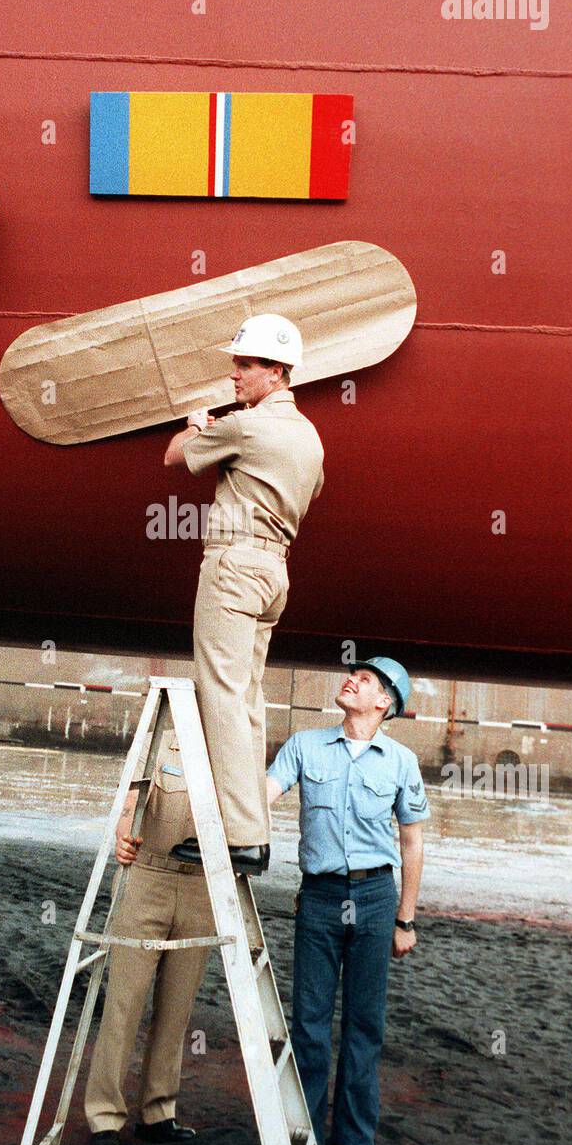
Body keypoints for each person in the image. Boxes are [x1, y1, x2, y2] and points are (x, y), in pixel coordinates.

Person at [163, 314, 324, 875]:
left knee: (223, 695)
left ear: (276, 372)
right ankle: (252, 831)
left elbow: (175, 458)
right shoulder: (310, 437)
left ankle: (240, 838)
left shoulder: (247, 426)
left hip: (233, 563)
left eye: (245, 365)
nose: (234, 375)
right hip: (275, 569)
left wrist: (193, 424)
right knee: (249, 700)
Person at [266, 657, 427, 1145]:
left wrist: (406, 919)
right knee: (309, 1023)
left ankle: (355, 1141)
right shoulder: (304, 746)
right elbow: (264, 793)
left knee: (364, 1024)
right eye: (353, 674)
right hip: (318, 897)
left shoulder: (401, 761)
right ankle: (309, 1133)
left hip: (377, 898)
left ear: (385, 703)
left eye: (366, 680)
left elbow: (413, 841)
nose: (352, 679)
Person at [84, 728, 214, 1145]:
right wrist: (123, 836)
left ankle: (159, 1113)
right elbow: (130, 798)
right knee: (123, 1003)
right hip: (149, 878)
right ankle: (104, 1117)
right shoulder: (160, 739)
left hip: (201, 887)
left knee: (177, 1008)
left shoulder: (236, 746)